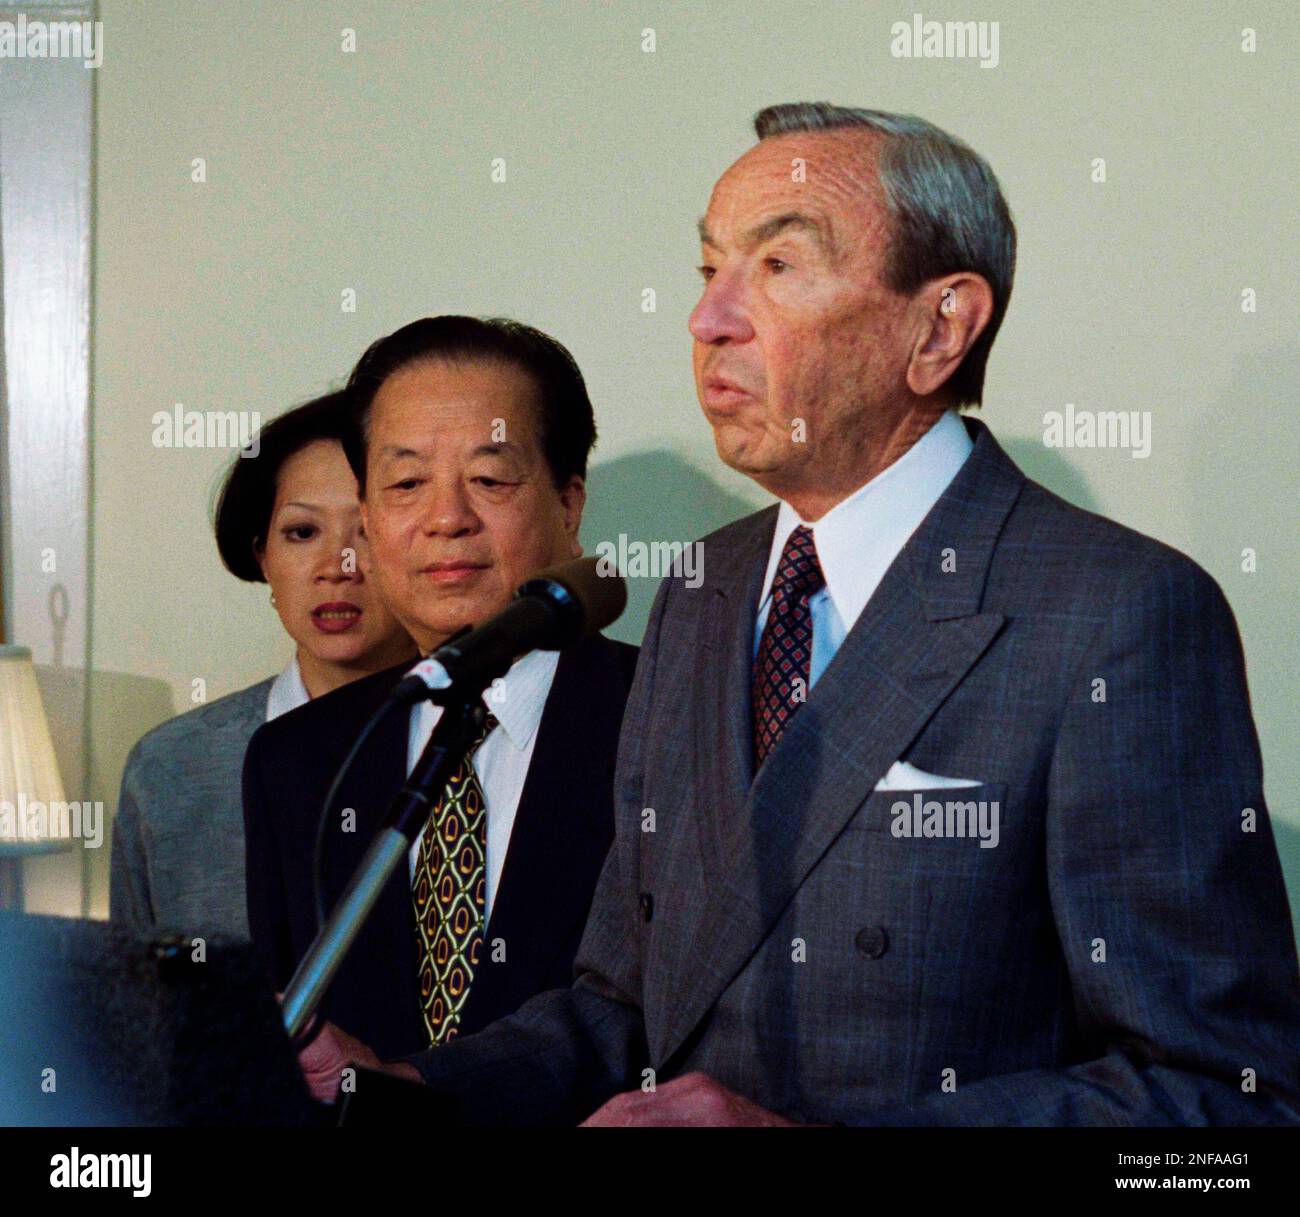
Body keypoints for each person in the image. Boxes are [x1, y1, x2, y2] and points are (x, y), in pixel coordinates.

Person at [295, 104, 1300, 1126]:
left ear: (940, 325)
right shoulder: (701, 589)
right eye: (706, 272)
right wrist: (405, 1088)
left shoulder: (1112, 613)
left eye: (776, 267)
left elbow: (1223, 1095)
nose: (708, 321)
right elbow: (622, 1005)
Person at [242, 316, 638, 1060]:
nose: (446, 519)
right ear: (368, 517)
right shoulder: (296, 759)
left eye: (489, 479)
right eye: (406, 483)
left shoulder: (668, 716)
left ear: (569, 503)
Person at [109, 392, 416, 937]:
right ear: (263, 557)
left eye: (365, 532)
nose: (336, 567)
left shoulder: (479, 743)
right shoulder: (171, 769)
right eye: (302, 533)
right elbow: (142, 1005)